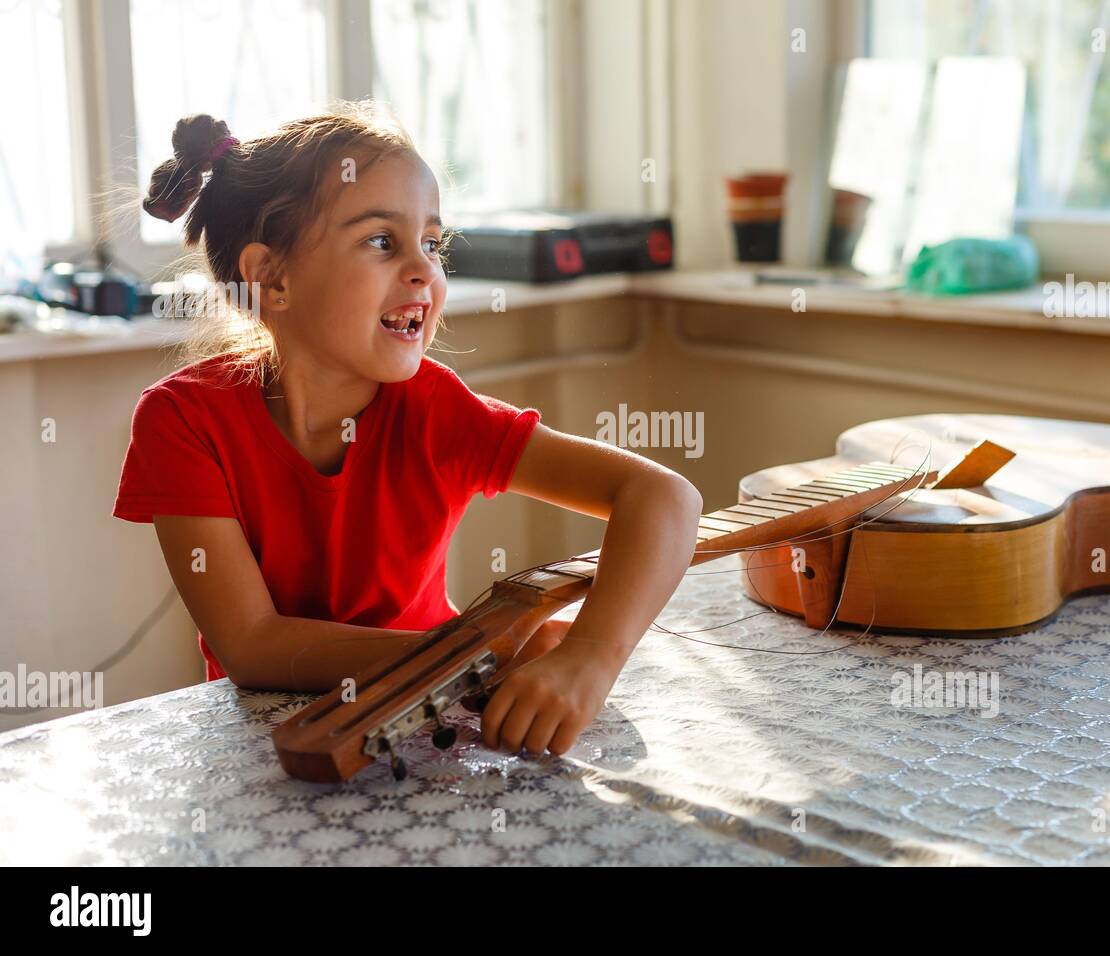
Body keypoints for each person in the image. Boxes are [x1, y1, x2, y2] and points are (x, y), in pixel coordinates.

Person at [112, 104, 702, 757]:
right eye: (381, 242)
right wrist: (480, 654)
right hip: (270, 749)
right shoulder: (183, 421)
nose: (425, 271)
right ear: (270, 278)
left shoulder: (435, 411)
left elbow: (665, 497)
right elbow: (253, 645)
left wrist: (589, 658)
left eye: (433, 243)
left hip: (437, 732)